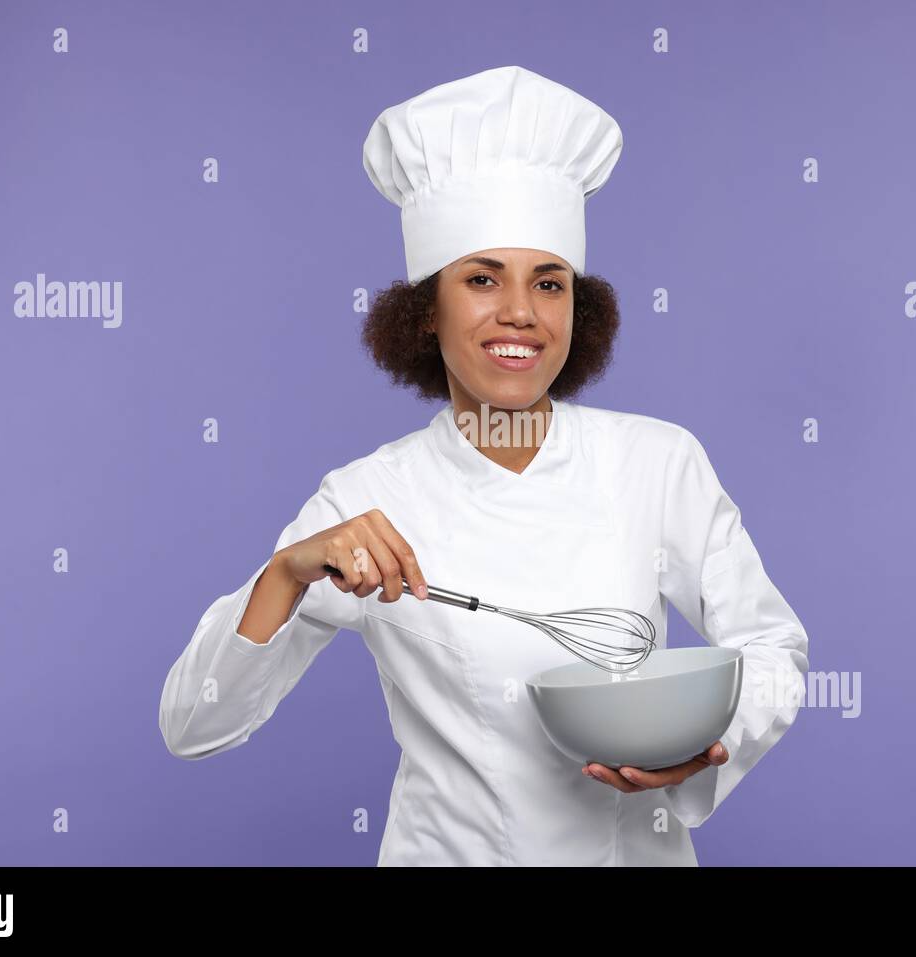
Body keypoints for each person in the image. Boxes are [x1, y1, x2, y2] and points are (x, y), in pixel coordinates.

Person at [158, 65, 810, 866]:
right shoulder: (367, 498)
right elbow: (193, 725)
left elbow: (773, 649)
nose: (520, 313)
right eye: (481, 279)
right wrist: (287, 573)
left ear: (581, 308)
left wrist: (702, 752)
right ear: (426, 310)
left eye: (548, 282)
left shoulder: (657, 461)